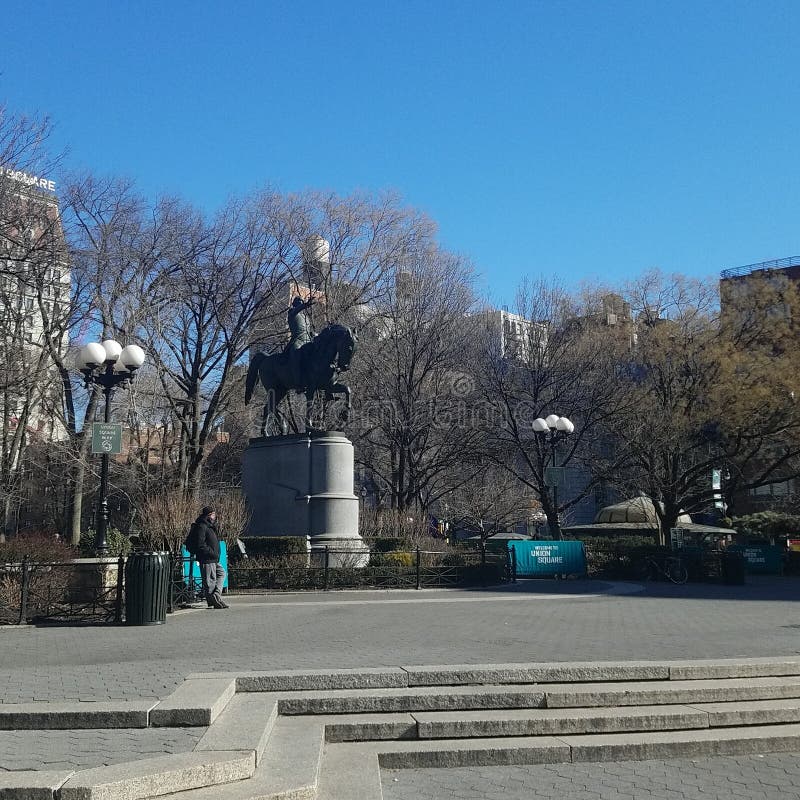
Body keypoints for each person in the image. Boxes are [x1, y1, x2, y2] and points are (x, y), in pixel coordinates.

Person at [193, 506, 229, 609]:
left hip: (213, 557)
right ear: (209, 515)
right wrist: (211, 552)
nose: (215, 516)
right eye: (213, 514)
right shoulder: (202, 526)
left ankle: (216, 596)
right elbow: (200, 544)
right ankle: (215, 600)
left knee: (221, 573)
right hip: (207, 557)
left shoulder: (209, 525)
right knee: (210, 581)